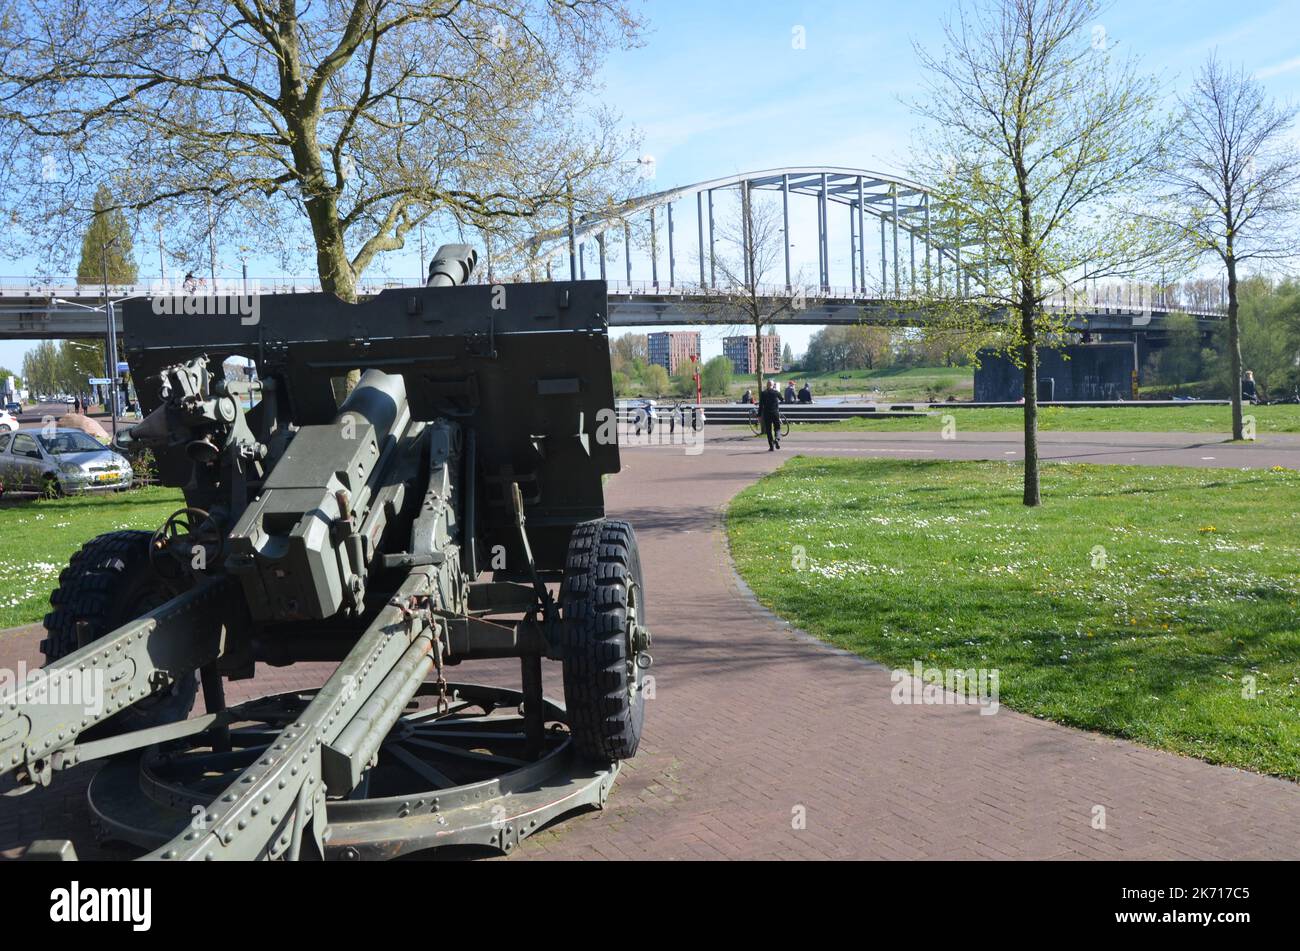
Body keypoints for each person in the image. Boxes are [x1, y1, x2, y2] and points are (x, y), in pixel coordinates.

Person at [758, 379, 782, 451]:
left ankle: (771, 446)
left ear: (767, 385)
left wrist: (759, 415)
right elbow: (782, 399)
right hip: (775, 413)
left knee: (768, 430)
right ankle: (777, 439)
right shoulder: (776, 392)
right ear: (773, 385)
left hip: (767, 413)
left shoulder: (763, 393)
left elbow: (761, 405)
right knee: (777, 427)